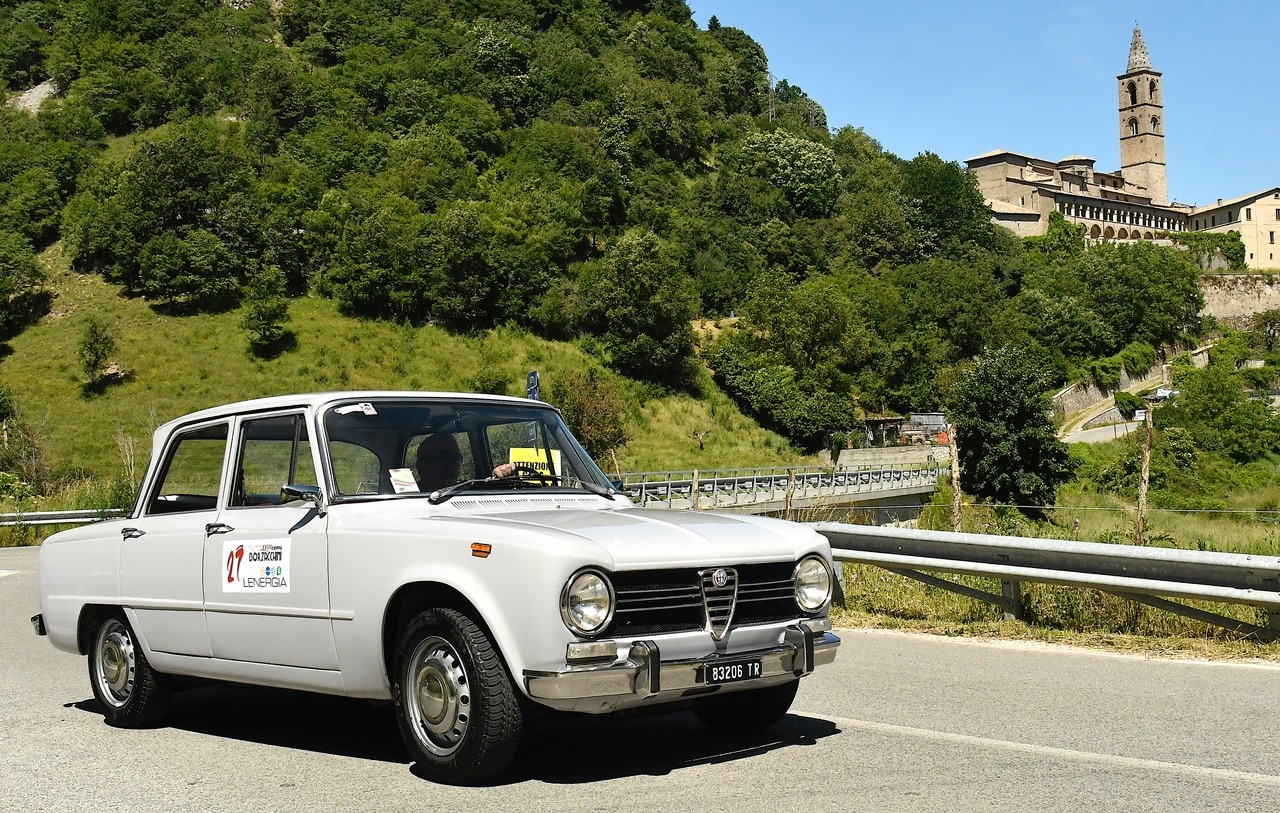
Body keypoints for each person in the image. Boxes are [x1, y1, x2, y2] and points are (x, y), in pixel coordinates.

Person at [414, 433, 516, 492]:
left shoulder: (469, 491)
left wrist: (501, 479)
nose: (451, 462)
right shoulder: (408, 497)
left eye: (455, 456)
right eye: (443, 457)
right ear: (421, 465)